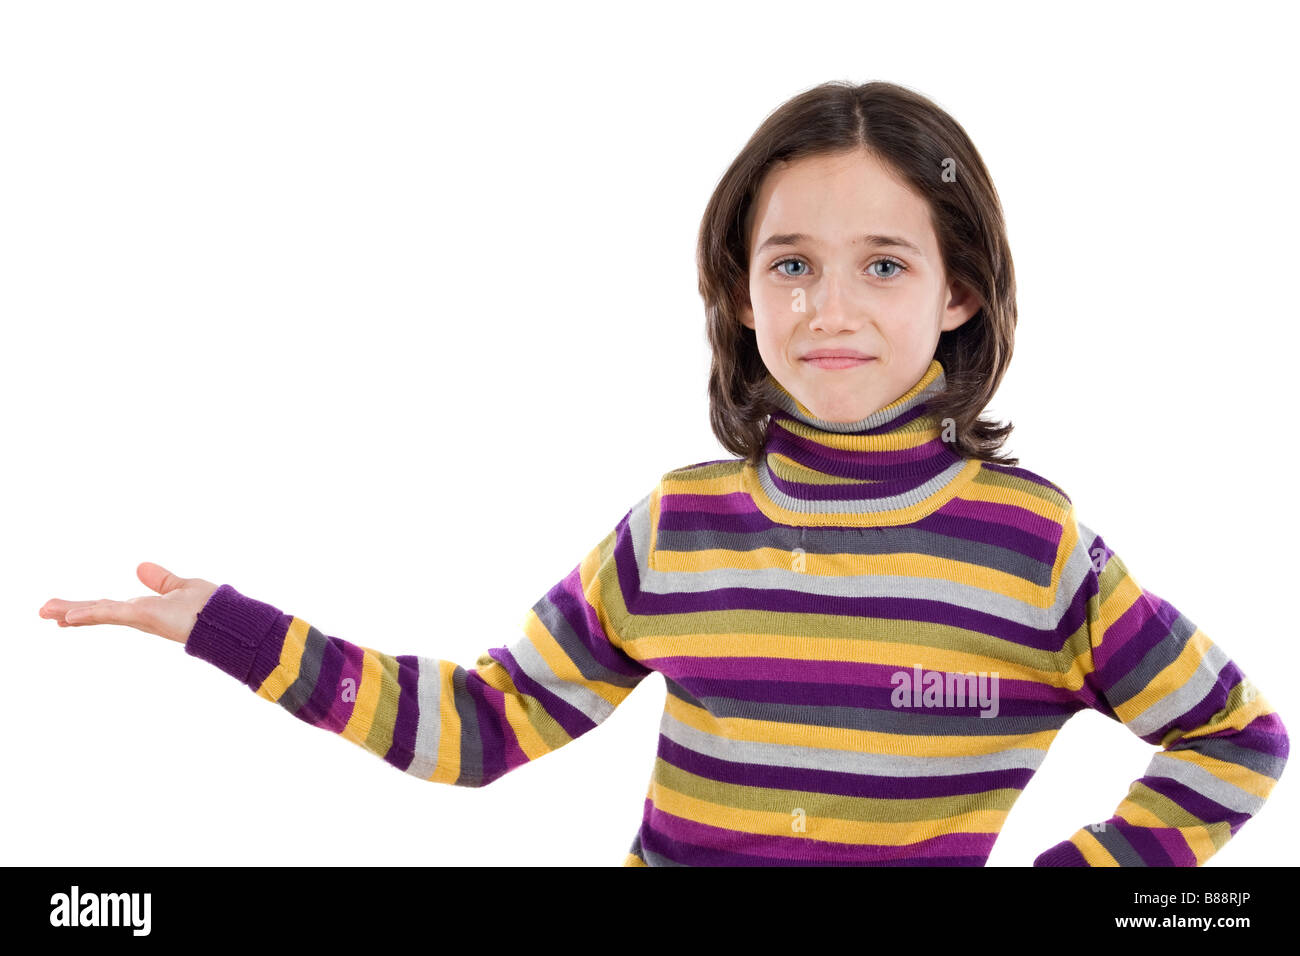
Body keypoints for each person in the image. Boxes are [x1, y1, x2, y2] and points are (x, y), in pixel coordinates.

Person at [39, 80, 1288, 866]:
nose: (829, 307)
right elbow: (483, 726)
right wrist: (229, 628)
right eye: (789, 262)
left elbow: (1235, 735)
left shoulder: (1033, 551)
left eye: (885, 265)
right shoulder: (677, 527)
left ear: (960, 290)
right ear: (740, 295)